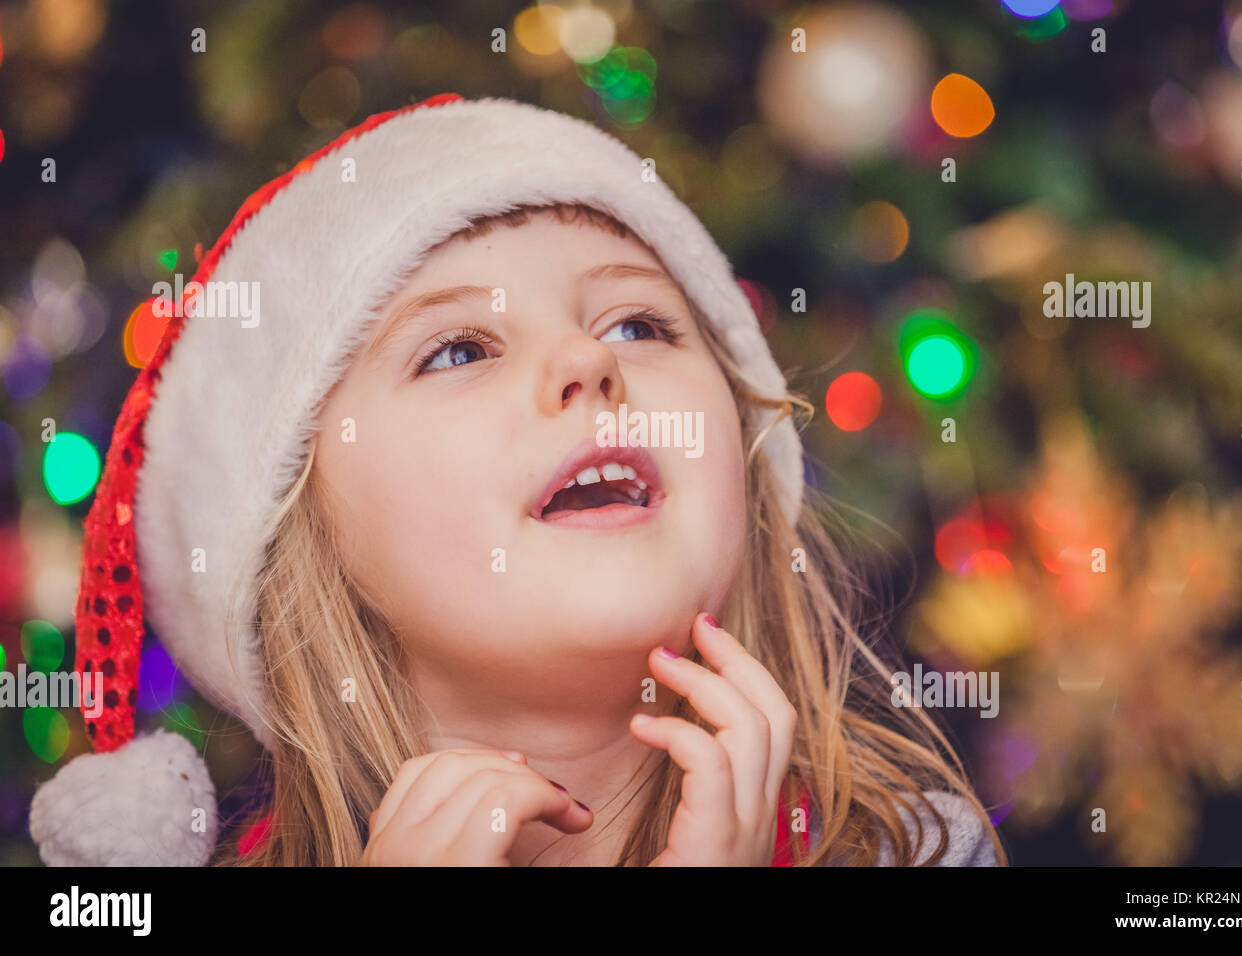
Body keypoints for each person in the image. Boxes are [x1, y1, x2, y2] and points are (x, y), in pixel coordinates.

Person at [29, 94, 1006, 867]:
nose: (589, 365)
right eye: (459, 348)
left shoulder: (919, 848)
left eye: (640, 325)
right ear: (298, 533)